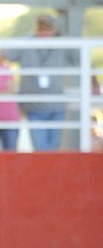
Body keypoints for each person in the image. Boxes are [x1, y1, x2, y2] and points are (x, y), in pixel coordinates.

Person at [4, 14, 80, 152]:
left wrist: (63, 37)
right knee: (40, 147)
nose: (45, 33)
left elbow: (78, 58)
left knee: (54, 147)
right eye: (41, 29)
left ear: (55, 30)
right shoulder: (26, 42)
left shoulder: (63, 44)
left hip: (57, 104)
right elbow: (6, 55)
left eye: (48, 29)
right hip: (34, 105)